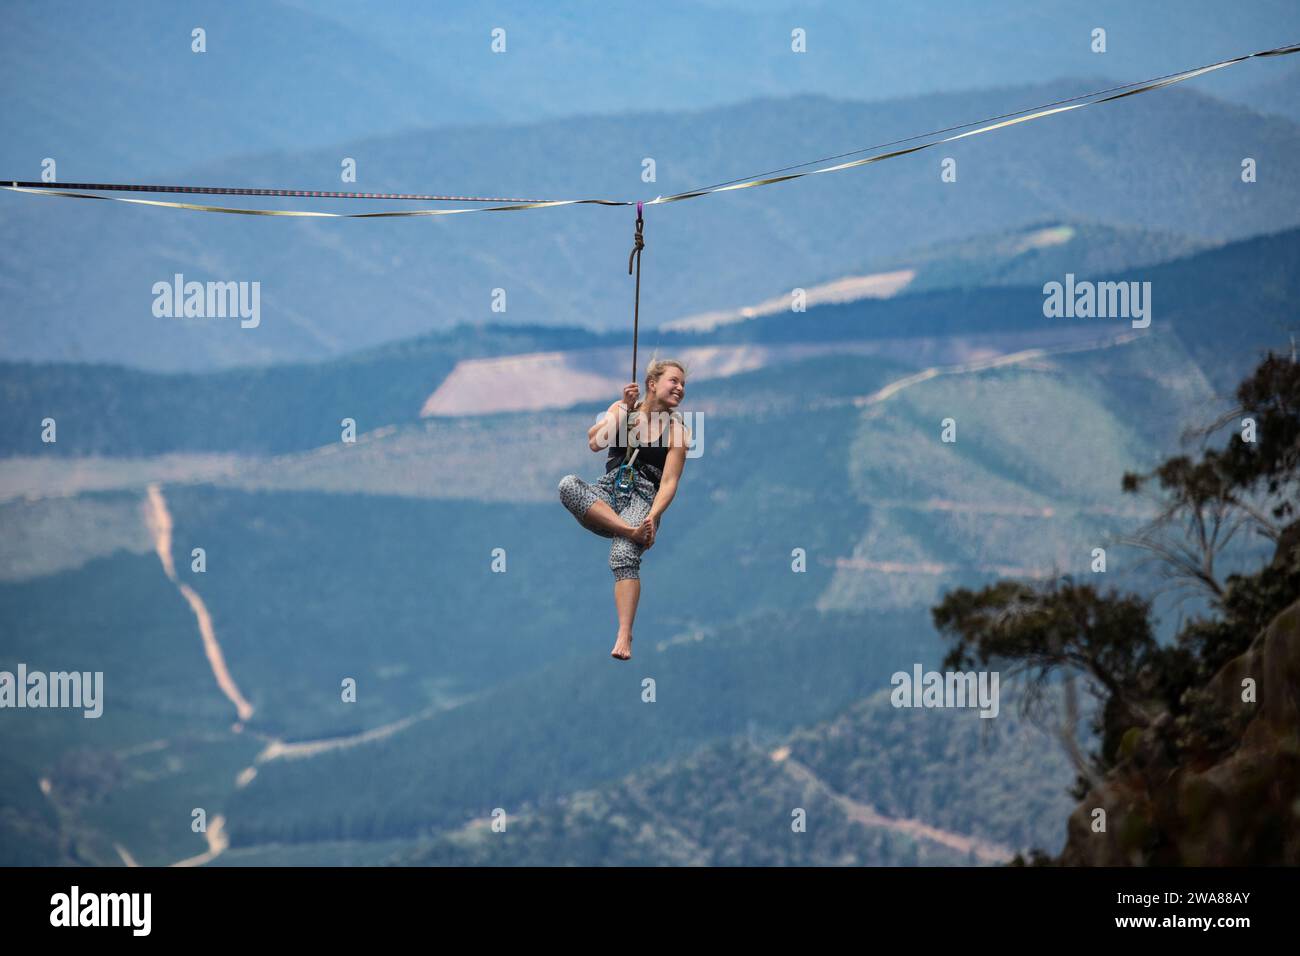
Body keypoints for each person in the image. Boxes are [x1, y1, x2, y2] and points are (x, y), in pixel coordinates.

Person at [557, 358, 690, 660]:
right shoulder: (622, 410)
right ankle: (628, 530)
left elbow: (669, 483)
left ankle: (624, 634)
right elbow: (595, 443)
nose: (680, 389)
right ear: (652, 384)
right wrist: (623, 409)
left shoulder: (679, 433)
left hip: (643, 497)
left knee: (623, 554)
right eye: (674, 381)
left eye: (683, 385)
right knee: (567, 485)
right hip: (608, 492)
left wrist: (653, 517)